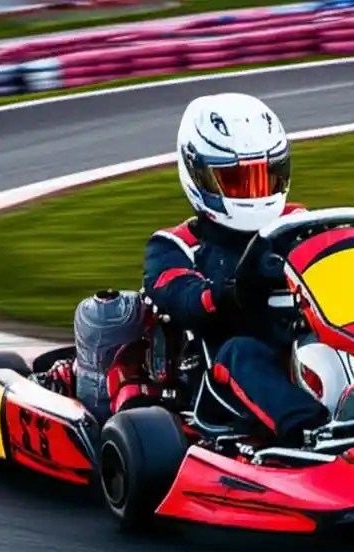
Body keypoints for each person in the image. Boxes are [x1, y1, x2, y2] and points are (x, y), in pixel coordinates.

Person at [141, 92, 332, 446]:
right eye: (237, 181)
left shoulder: (299, 224)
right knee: (241, 352)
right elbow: (183, 298)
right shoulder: (174, 246)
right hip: (224, 382)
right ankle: (314, 434)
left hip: (306, 348)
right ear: (199, 175)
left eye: (263, 177)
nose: (254, 194)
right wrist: (230, 292)